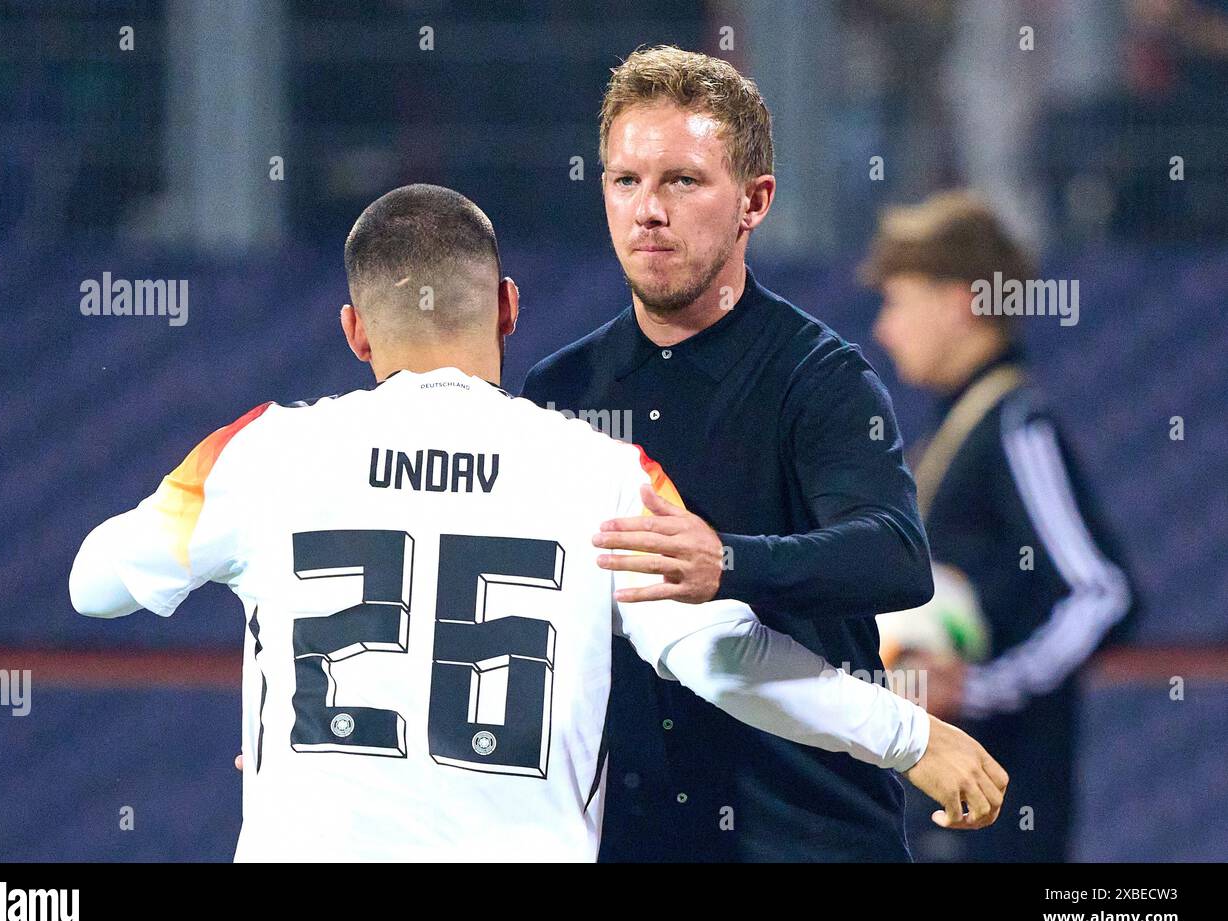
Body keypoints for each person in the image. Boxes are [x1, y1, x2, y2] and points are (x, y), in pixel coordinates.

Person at [68, 184, 1005, 862]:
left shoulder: (258, 456)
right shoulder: (604, 474)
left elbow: (94, 582)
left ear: (355, 332)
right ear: (508, 310)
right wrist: (912, 736)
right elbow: (726, 661)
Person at [522, 46, 938, 862]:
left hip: (811, 835)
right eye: (625, 181)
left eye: (683, 180)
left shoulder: (820, 378)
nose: (648, 210)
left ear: (755, 201)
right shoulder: (558, 388)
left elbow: (896, 557)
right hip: (629, 838)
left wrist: (730, 563)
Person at [860, 190, 1133, 861]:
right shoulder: (953, 433)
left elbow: (1103, 592)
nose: (884, 329)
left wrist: (981, 686)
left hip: (1003, 825)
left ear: (961, 302)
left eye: (898, 300)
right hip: (941, 815)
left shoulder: (1015, 425)